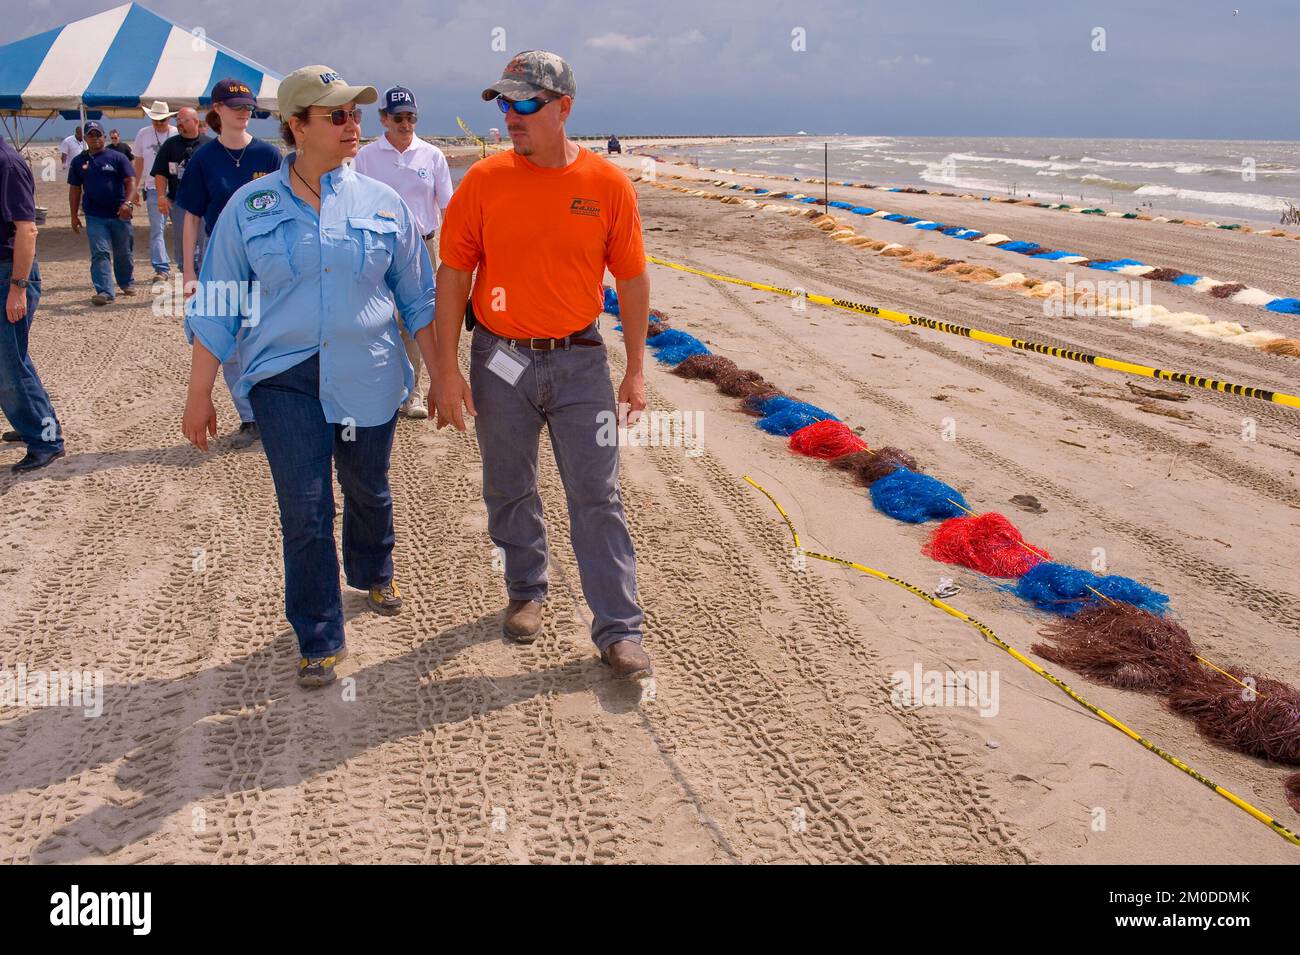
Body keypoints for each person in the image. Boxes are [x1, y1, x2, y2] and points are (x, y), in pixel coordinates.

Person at [182, 66, 434, 688]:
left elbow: (418, 299)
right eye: (338, 116)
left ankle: (374, 569)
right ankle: (319, 632)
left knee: (367, 488)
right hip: (284, 379)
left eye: (355, 115)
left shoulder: (383, 203)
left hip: (368, 375)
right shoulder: (251, 206)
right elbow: (218, 301)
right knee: (305, 506)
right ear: (297, 127)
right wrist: (199, 393)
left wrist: (447, 378)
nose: (354, 126)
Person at [433, 51, 653, 680]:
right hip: (499, 356)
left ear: (564, 108)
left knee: (597, 493)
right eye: (504, 104)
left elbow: (633, 280)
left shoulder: (607, 186)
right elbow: (453, 276)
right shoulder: (483, 181)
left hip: (580, 360)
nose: (511, 117)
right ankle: (527, 587)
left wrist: (635, 369)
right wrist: (445, 372)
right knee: (507, 484)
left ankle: (618, 630)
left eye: (525, 104)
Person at [175, 80, 281, 448]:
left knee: (268, 335)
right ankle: (250, 417)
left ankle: (275, 409)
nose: (243, 111)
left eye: (248, 105)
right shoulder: (203, 159)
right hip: (221, 264)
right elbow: (190, 217)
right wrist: (188, 271)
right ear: (216, 109)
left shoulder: (268, 156)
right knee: (230, 344)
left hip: (265, 263)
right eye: (235, 105)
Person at [353, 85, 453, 420]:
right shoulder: (365, 158)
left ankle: (412, 394)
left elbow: (447, 206)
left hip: (423, 246)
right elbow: (354, 205)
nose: (405, 123)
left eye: (411, 117)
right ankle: (382, 390)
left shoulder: (432, 156)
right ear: (383, 118)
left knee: (416, 320)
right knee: (378, 319)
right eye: (398, 117)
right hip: (378, 247)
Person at [1, 133, 64, 473]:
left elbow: (27, 231)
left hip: (8, 276)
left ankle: (47, 440)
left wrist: (18, 288)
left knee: (11, 367)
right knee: (11, 361)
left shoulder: (7, 164)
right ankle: (30, 422)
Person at [67, 120, 136, 306]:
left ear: (104, 137)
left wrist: (128, 203)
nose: (95, 138)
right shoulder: (79, 161)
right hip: (94, 215)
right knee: (100, 252)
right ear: (85, 138)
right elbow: (74, 189)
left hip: (120, 214)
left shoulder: (117, 158)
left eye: (98, 134)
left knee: (123, 251)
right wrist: (73, 215)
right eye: (91, 135)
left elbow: (131, 180)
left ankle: (126, 282)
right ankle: (104, 291)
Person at [150, 107, 210, 281]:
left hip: (205, 203)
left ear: (196, 122)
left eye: (184, 120)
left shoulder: (209, 145)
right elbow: (160, 173)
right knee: (183, 240)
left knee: (204, 240)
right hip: (180, 203)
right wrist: (161, 196)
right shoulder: (170, 145)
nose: (180, 124)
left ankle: (202, 275)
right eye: (178, 121)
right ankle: (186, 270)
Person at [133, 101, 178, 280]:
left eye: (162, 120)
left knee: (182, 228)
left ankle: (186, 264)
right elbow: (139, 163)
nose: (159, 124)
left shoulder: (175, 133)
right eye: (155, 120)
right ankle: (161, 268)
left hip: (176, 188)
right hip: (152, 188)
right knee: (157, 229)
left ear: (168, 118)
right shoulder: (143, 134)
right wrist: (134, 188)